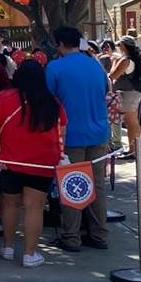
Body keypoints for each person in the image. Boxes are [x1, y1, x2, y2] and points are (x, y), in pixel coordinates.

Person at [0, 60, 66, 268]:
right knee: (34, 207)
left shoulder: (2, 98)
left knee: (10, 203)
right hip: (43, 162)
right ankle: (30, 254)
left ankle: (8, 247)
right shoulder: (52, 101)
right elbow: (61, 130)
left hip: (9, 161)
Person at [45, 26, 111, 251]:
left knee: (72, 184)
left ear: (60, 44)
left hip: (71, 134)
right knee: (97, 185)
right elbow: (104, 91)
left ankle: (71, 236)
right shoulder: (95, 65)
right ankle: (99, 234)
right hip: (99, 131)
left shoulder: (55, 67)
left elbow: (48, 101)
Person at [109, 35, 141, 158]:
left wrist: (114, 62)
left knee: (130, 122)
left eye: (119, 45)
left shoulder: (125, 60)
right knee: (133, 122)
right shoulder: (135, 58)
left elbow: (113, 75)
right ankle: (135, 149)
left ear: (123, 46)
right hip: (134, 92)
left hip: (127, 93)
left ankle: (133, 150)